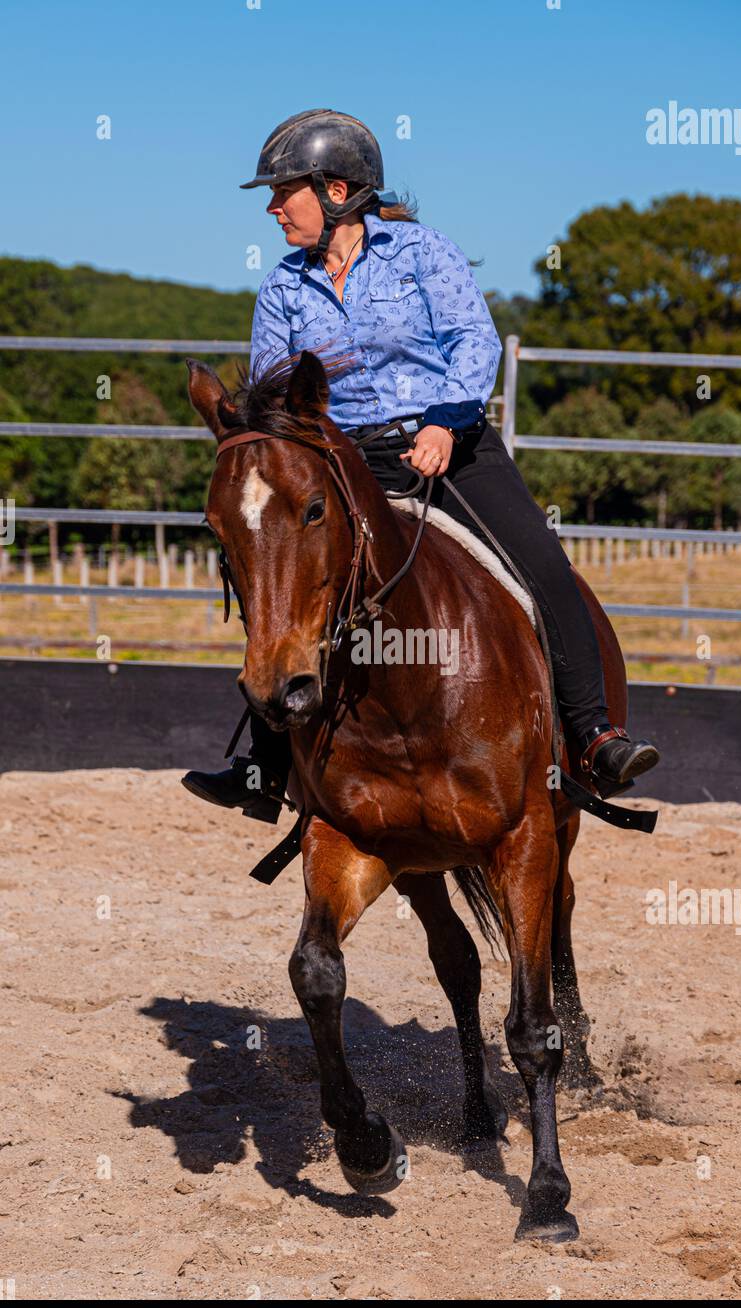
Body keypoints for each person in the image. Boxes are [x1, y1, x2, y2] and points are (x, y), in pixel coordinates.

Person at [182, 108, 659, 823]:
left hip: (451, 444)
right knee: (284, 576)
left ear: (337, 191)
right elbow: (276, 392)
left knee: (543, 564)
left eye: (284, 192)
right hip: (343, 460)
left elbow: (475, 342)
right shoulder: (281, 286)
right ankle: (264, 763)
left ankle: (595, 734)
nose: (274, 208)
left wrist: (445, 419)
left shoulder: (423, 252)